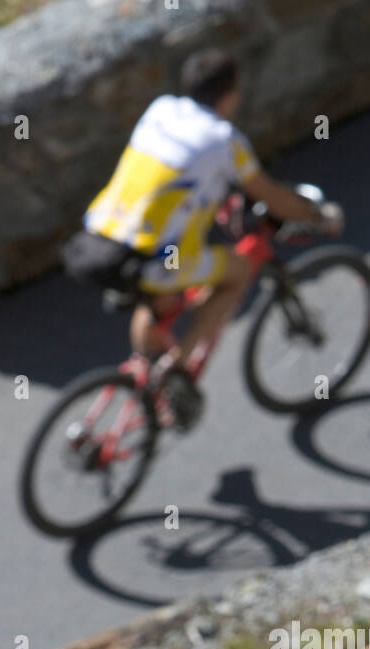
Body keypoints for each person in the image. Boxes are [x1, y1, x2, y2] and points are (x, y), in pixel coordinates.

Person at [66, 48, 344, 424]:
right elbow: (272, 197)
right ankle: (177, 371)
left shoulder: (161, 108)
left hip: (101, 241)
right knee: (239, 271)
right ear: (229, 94)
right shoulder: (223, 139)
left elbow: (178, 174)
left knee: (157, 306)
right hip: (158, 258)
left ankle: (149, 379)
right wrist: (318, 216)